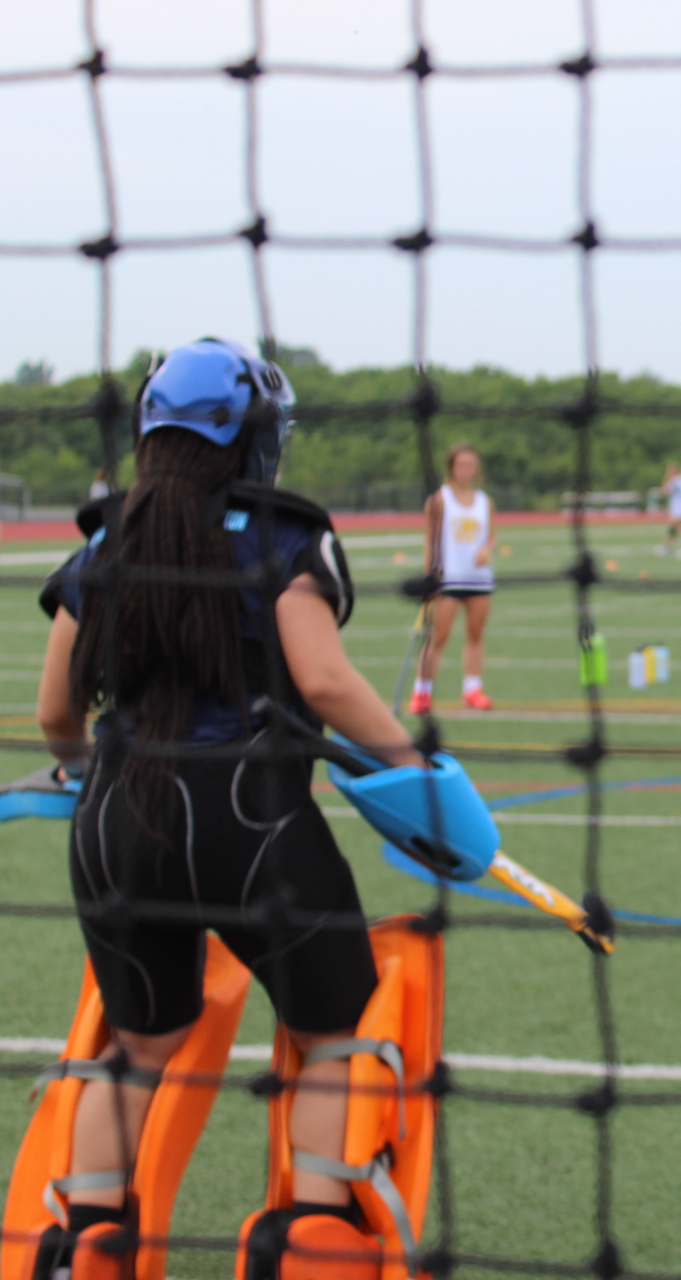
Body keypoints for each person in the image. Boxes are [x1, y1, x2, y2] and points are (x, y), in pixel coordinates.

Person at [27, 338, 427, 1276]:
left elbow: (54, 713)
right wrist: (415, 767)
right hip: (251, 818)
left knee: (138, 1046)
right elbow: (323, 682)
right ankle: (310, 1243)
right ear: (254, 439)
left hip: (118, 819)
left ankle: (88, 1243)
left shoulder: (101, 544)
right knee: (332, 1030)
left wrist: (81, 771)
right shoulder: (286, 537)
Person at [412, 443, 496, 713]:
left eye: (471, 465)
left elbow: (491, 537)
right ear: (451, 468)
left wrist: (487, 549)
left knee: (475, 635)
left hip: (479, 579)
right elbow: (430, 541)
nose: (467, 470)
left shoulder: (484, 501)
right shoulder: (439, 500)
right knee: (437, 638)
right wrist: (429, 578)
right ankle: (422, 692)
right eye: (462, 465)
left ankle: (473, 689)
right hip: (448, 579)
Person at [659, 462, 681, 559]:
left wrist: (667, 478)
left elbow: (664, 491)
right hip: (679, 507)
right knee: (674, 527)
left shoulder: (678, 480)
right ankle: (668, 546)